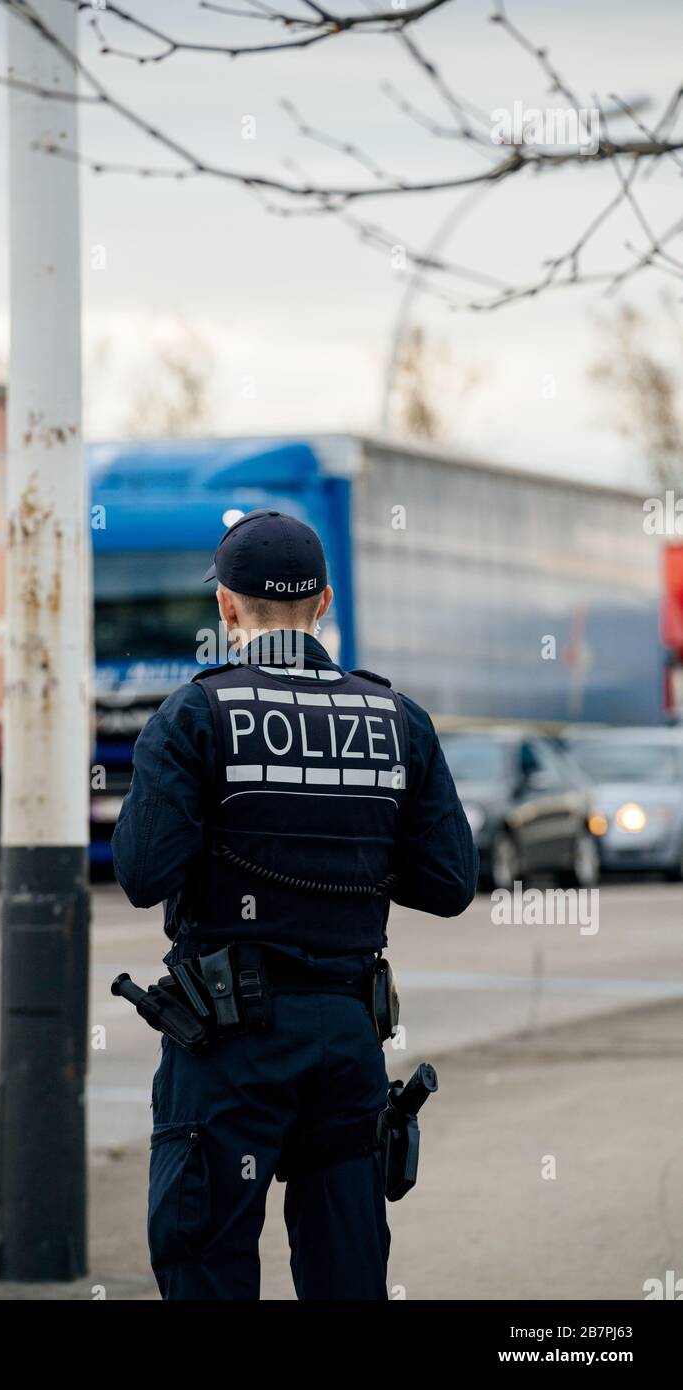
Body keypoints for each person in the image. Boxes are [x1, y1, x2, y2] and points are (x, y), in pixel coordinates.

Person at [112, 508, 477, 1301]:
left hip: (226, 1048)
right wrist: (356, 858)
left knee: (204, 1263)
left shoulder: (194, 717)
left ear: (227, 607)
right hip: (347, 1042)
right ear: (325, 603)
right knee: (347, 1277)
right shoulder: (397, 720)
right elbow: (450, 884)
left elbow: (143, 874)